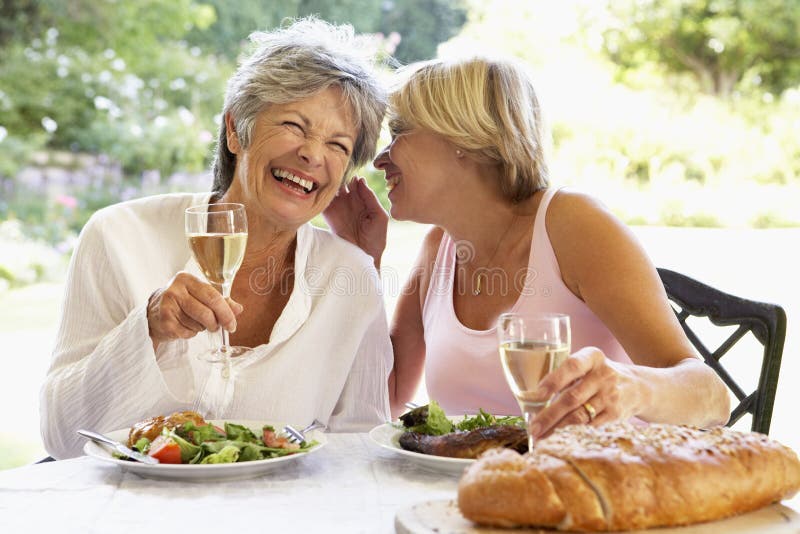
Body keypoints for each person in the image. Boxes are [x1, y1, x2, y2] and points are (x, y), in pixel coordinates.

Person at [324, 55, 730, 438]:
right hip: (478, 485)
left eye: (399, 133)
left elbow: (712, 397)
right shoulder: (439, 248)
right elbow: (387, 396)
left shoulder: (573, 225)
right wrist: (361, 259)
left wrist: (634, 386)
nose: (380, 159)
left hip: (596, 480)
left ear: (462, 137)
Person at [40, 18, 391, 459]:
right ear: (235, 130)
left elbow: (361, 447)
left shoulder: (351, 276)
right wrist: (146, 330)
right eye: (294, 125)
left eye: (338, 145)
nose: (312, 154)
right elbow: (61, 436)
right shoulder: (118, 236)